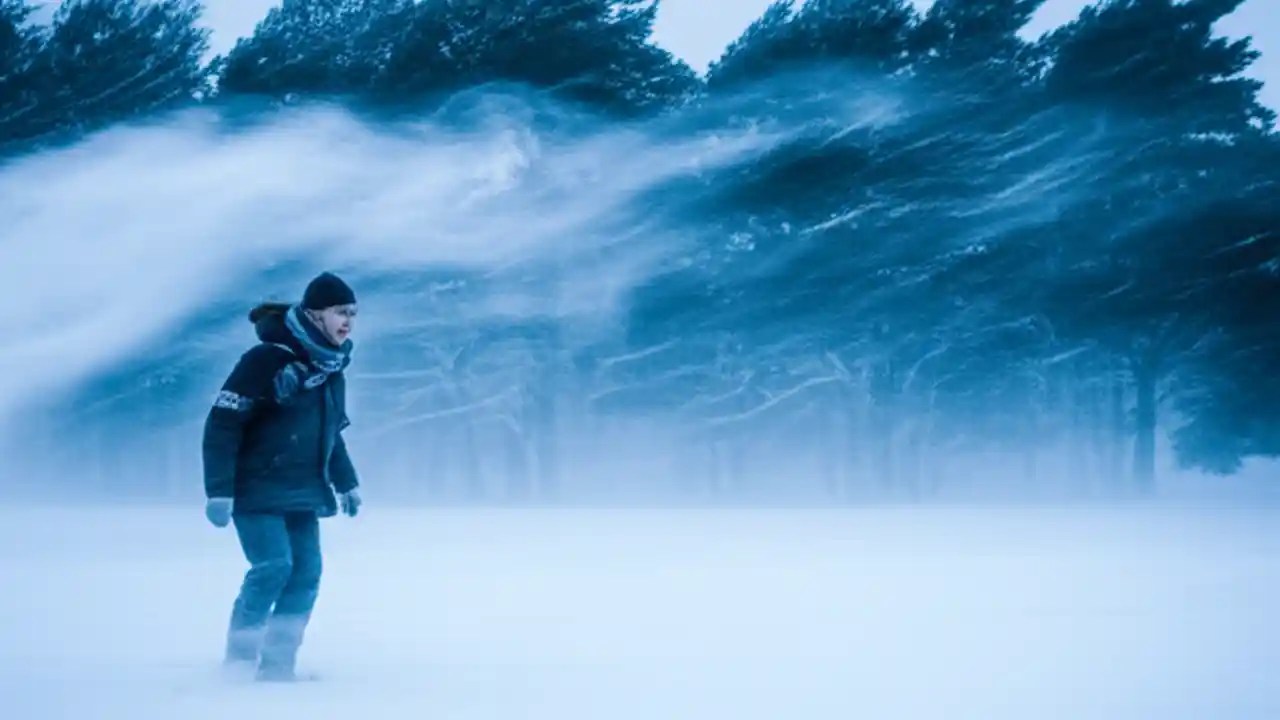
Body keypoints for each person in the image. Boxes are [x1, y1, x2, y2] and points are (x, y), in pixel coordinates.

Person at [201, 271, 364, 682]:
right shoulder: (266, 359)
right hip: (255, 489)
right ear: (314, 315)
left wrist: (346, 481)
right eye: (340, 312)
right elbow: (222, 423)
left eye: (354, 314)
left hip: (303, 490)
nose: (348, 321)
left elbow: (330, 433)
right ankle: (239, 661)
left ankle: (278, 665)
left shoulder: (329, 368)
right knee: (274, 566)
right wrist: (218, 491)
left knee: (306, 573)